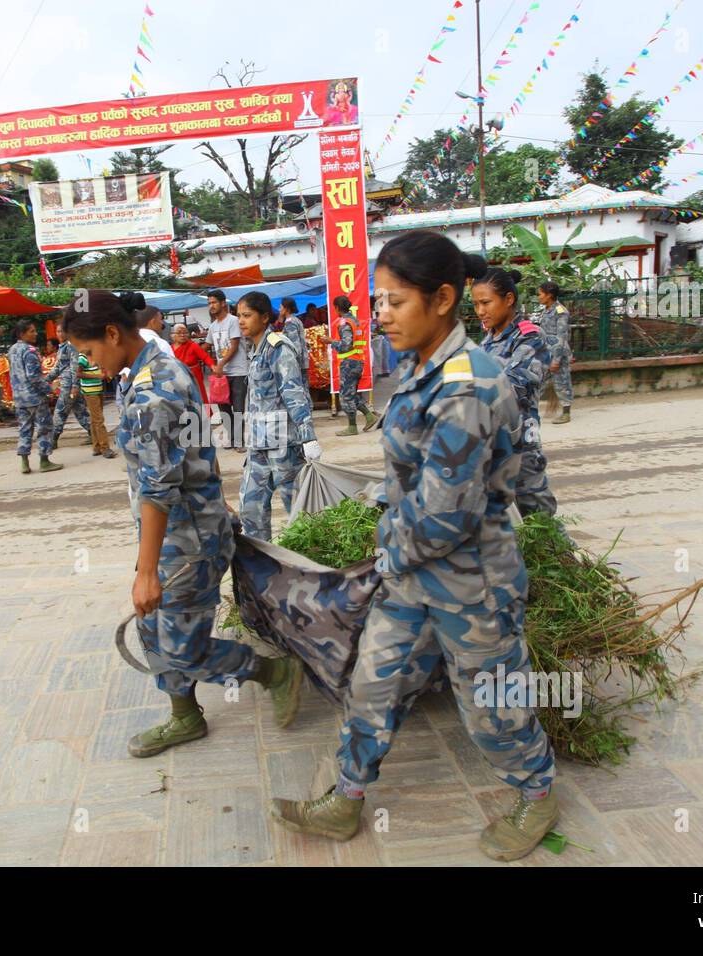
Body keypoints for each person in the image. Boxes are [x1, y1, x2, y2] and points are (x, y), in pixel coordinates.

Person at [269, 230, 557, 861]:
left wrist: (382, 561)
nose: (380, 314)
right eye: (378, 301)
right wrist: (382, 515)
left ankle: (537, 794)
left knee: (491, 708)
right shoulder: (423, 368)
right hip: (412, 574)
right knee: (372, 683)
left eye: (395, 301)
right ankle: (345, 799)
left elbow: (446, 515)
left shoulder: (468, 386)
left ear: (444, 298)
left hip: (470, 582)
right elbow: (411, 476)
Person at [62, 289, 304, 757]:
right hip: (178, 529)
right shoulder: (153, 366)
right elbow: (195, 444)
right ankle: (185, 716)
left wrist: (147, 570)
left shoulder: (155, 388)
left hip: (186, 538)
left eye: (89, 352)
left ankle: (274, 673)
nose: (90, 364)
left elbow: (157, 488)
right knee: (153, 628)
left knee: (182, 647)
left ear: (112, 334)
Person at [236, 292, 322, 541]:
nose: (241, 321)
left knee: (296, 508)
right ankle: (262, 565)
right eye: (239, 315)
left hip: (284, 445)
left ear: (264, 317)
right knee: (250, 508)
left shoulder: (278, 348)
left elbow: (294, 393)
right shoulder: (255, 350)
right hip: (259, 444)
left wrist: (308, 437)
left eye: (247, 315)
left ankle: (311, 564)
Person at [476, 269, 557, 518]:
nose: (480, 311)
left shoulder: (529, 336)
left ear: (508, 299)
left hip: (520, 443)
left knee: (537, 514)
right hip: (489, 440)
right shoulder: (488, 339)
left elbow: (514, 383)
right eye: (476, 304)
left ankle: (563, 554)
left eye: (486, 303)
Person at [7, 319, 64, 474]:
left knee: (25, 429)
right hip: (35, 398)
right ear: (22, 334)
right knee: (44, 428)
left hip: (19, 398)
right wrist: (49, 389)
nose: (35, 333)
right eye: (31, 331)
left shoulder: (12, 350)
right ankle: (44, 461)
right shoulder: (30, 351)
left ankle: (24, 463)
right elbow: (34, 377)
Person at [329, 295, 377, 435]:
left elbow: (346, 345)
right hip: (357, 361)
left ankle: (352, 426)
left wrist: (330, 341)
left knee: (345, 396)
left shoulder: (344, 323)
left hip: (349, 362)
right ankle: (369, 416)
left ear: (337, 308)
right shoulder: (355, 321)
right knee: (352, 393)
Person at [206, 289, 248, 451]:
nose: (211, 306)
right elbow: (207, 346)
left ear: (223, 303)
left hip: (238, 371)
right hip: (221, 374)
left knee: (238, 408)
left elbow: (234, 346)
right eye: (209, 303)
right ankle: (230, 438)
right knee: (223, 408)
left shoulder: (233, 321)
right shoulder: (212, 326)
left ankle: (239, 442)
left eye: (214, 302)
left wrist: (220, 364)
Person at [48, 322, 90, 450]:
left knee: (60, 411)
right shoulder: (63, 347)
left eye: (62, 331)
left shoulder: (71, 346)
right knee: (80, 411)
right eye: (58, 331)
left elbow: (75, 367)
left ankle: (53, 438)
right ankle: (94, 432)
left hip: (69, 386)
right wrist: (46, 379)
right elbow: (57, 368)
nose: (59, 334)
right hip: (67, 384)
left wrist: (75, 386)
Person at [536, 282, 573, 424]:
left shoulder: (560, 311)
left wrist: (556, 359)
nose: (538, 297)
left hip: (558, 353)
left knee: (562, 382)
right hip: (545, 352)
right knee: (539, 381)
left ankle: (566, 413)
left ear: (549, 295)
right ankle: (527, 408)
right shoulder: (547, 310)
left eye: (540, 294)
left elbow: (561, 337)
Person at [77, 348, 116, 458]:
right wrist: (97, 376)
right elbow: (78, 374)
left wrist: (104, 374)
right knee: (99, 419)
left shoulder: (96, 355)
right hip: (90, 391)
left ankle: (97, 447)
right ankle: (105, 448)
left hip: (98, 389)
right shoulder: (83, 357)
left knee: (95, 419)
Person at [171, 322, 216, 408]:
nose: (182, 335)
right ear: (173, 335)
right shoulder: (170, 348)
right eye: (179, 333)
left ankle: (206, 417)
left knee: (201, 395)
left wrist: (212, 366)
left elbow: (205, 357)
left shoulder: (192, 345)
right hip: (178, 377)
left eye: (185, 333)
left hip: (194, 376)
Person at [278, 297, 310, 384]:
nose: (279, 309)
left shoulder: (290, 322)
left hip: (296, 362)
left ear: (286, 309)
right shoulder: (296, 320)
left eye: (281, 307)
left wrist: (294, 363)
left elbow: (295, 345)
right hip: (301, 362)